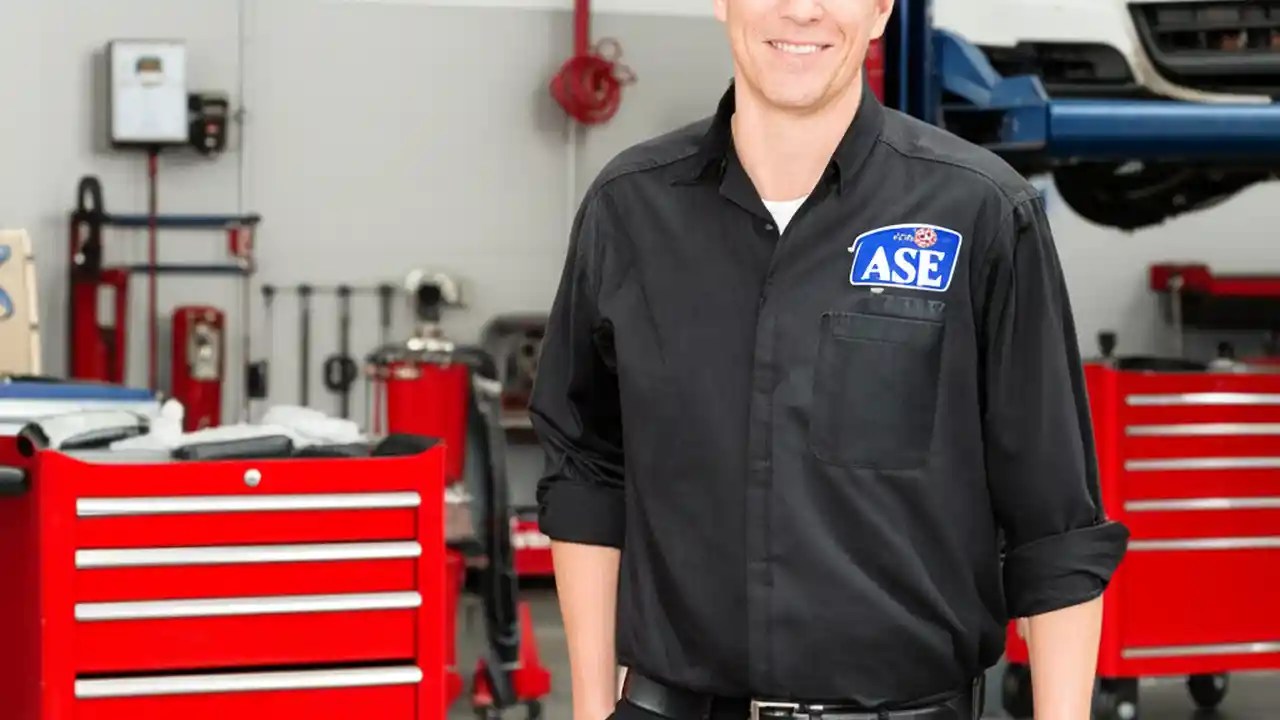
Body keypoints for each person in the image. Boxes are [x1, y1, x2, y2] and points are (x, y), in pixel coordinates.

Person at [528, 0, 1131, 718]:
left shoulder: (980, 212)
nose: (801, 10)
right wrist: (593, 708)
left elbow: (1056, 529)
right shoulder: (628, 210)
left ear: (880, 10)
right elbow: (586, 472)